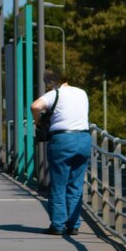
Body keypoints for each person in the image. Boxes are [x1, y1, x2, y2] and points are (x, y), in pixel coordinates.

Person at [31, 69, 91, 236]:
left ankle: (57, 225)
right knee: (75, 184)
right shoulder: (82, 92)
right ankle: (73, 225)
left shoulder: (54, 94)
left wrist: (39, 122)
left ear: (50, 83)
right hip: (84, 139)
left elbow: (35, 106)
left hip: (63, 140)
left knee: (58, 184)